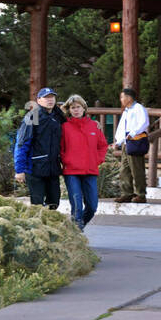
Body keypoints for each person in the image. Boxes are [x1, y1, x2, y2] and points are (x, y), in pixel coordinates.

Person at [59, 94, 108, 228]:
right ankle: (76, 233)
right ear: (69, 110)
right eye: (73, 108)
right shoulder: (64, 127)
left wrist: (97, 159)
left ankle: (76, 228)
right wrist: (66, 160)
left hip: (90, 170)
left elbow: (103, 146)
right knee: (76, 206)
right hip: (71, 171)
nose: (76, 110)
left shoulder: (94, 126)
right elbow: (60, 148)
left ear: (84, 108)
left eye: (78, 107)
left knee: (92, 206)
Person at [14, 87, 65, 210]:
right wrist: (19, 170)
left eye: (52, 97)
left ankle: (50, 228)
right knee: (37, 206)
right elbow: (22, 143)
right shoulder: (33, 116)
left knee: (54, 203)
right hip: (35, 168)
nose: (50, 100)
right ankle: (37, 228)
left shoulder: (58, 116)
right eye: (46, 97)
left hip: (53, 168)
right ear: (38, 100)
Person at [114, 87, 150, 203]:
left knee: (136, 169)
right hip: (126, 142)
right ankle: (127, 193)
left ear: (129, 98)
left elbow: (144, 123)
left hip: (135, 141)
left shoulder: (139, 108)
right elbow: (121, 127)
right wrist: (118, 141)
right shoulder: (126, 110)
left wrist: (133, 133)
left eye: (122, 97)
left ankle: (141, 194)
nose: (121, 99)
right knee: (124, 169)